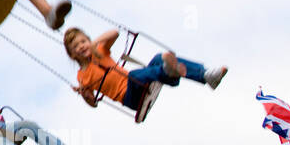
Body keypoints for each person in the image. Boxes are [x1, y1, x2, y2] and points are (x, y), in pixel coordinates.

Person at [64, 28, 227, 113]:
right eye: (76, 46)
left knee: (158, 58)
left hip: (137, 83)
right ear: (72, 54)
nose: (81, 46)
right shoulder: (82, 77)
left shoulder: (98, 52)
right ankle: (168, 72)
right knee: (135, 74)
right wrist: (86, 96)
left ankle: (205, 76)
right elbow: (93, 104)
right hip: (130, 98)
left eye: (83, 41)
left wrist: (95, 43)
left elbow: (114, 33)